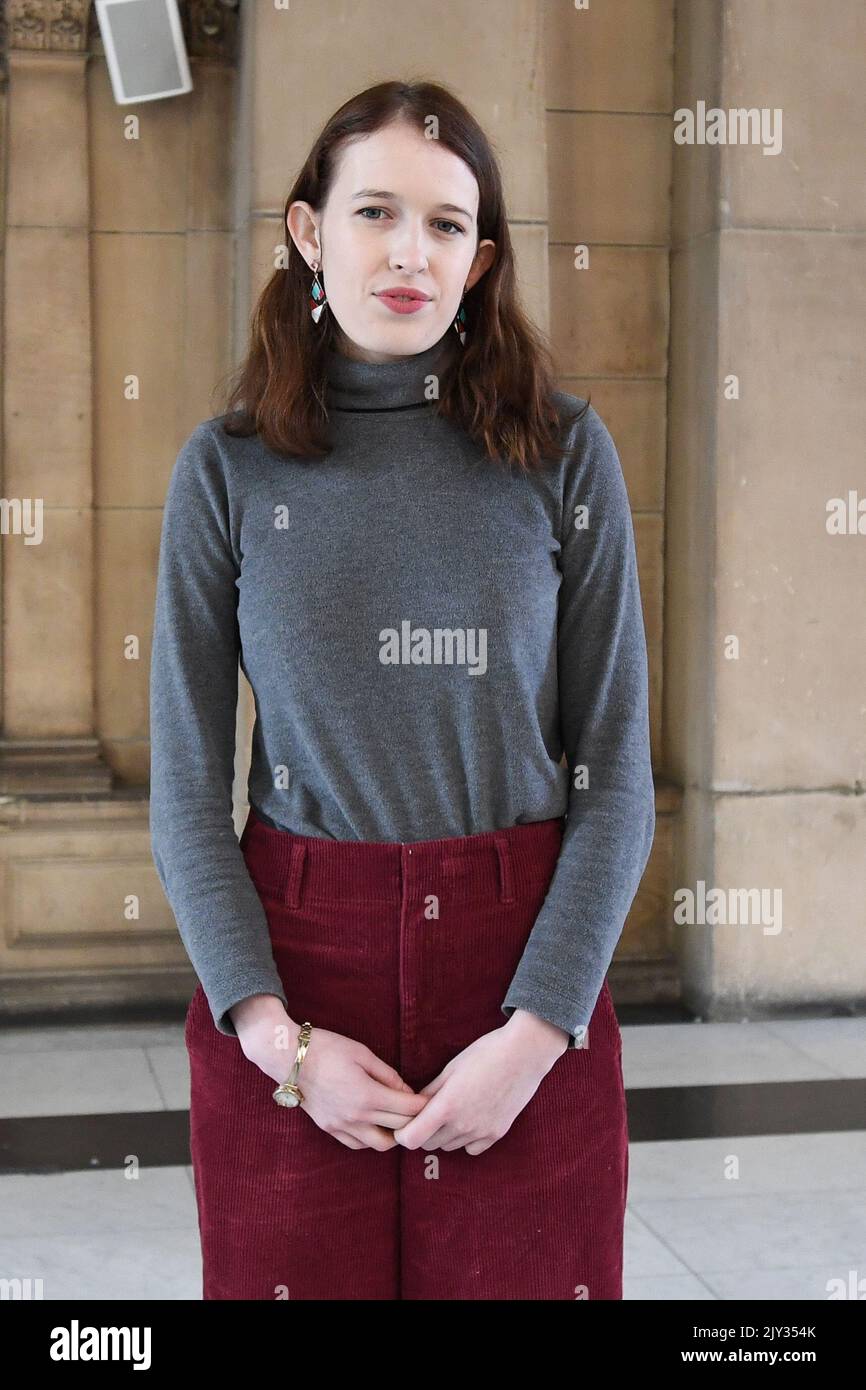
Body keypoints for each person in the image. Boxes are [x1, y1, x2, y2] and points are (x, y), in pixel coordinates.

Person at [149, 78, 655, 1301]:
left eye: (444, 226)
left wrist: (536, 1037)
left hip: (523, 971)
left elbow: (615, 775)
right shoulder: (224, 470)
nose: (408, 254)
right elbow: (184, 789)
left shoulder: (560, 449)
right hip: (300, 967)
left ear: (479, 263)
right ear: (308, 233)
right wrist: (279, 1043)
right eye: (375, 212)